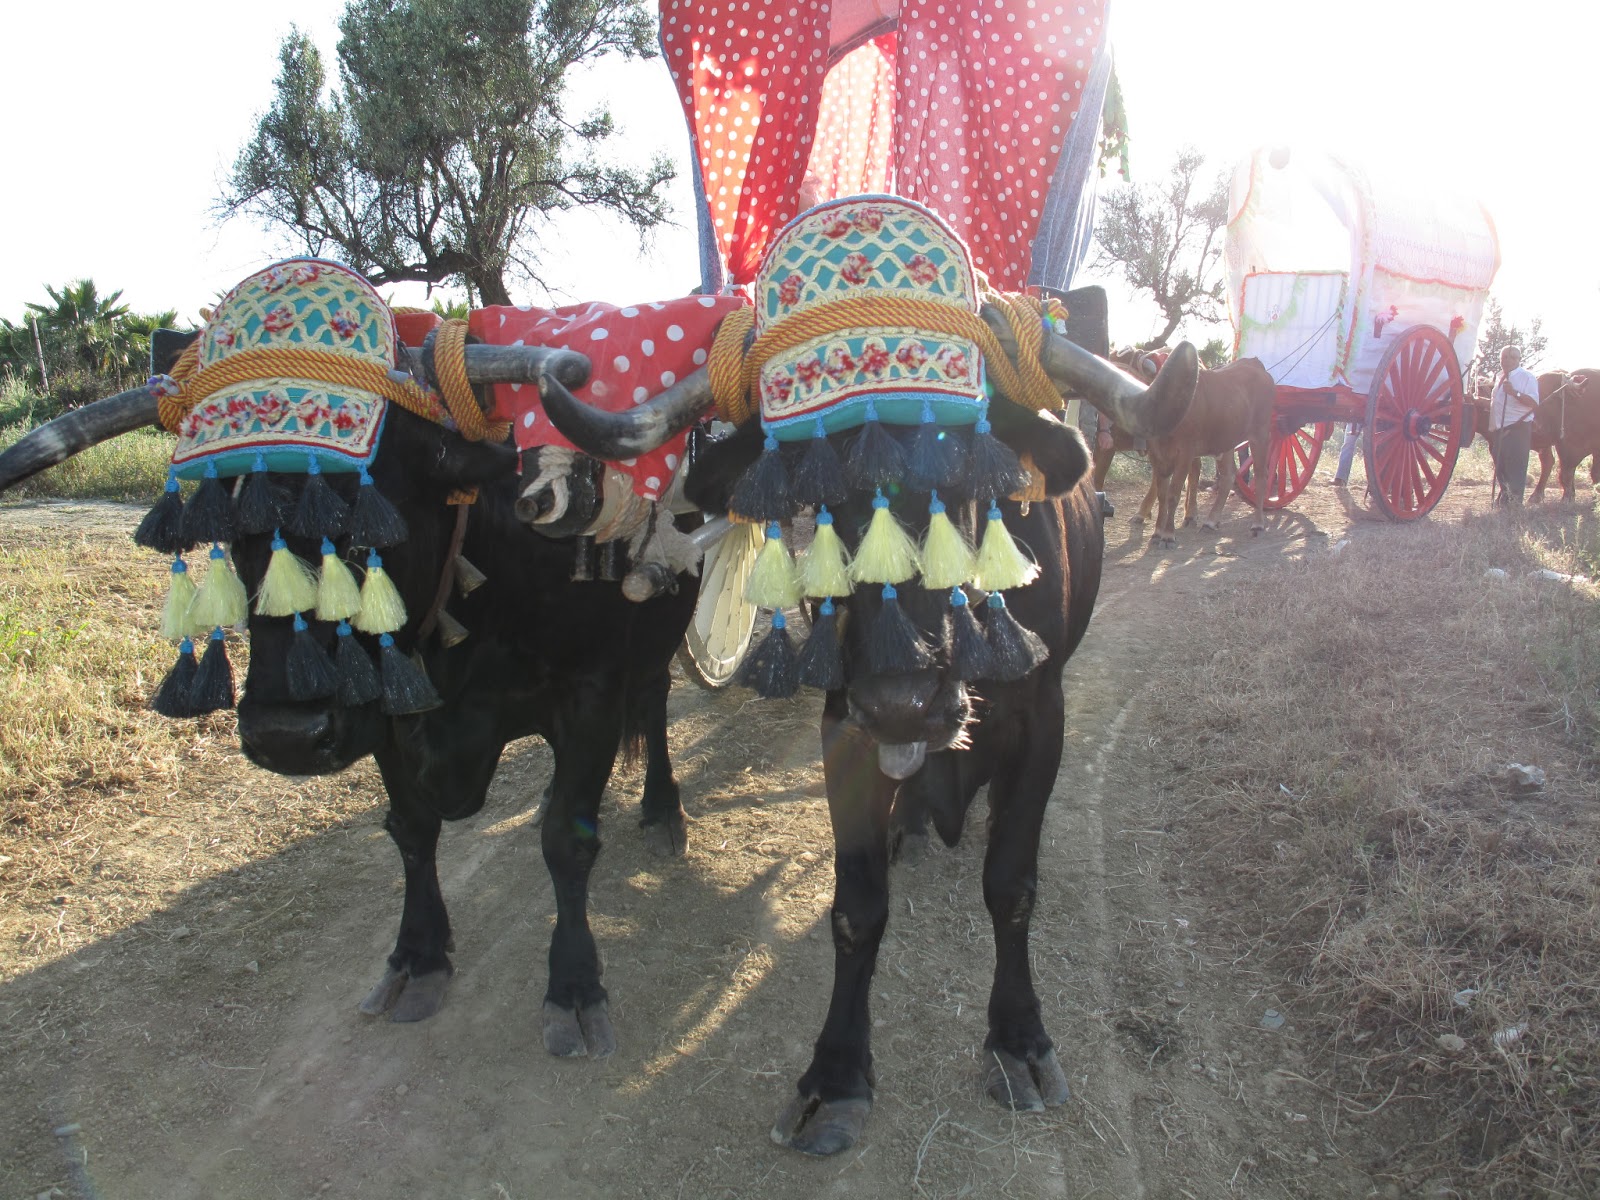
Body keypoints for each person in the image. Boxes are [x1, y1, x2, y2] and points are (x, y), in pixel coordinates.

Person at [1490, 345, 1541, 506]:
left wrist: (1515, 393)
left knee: (1515, 468)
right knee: (1501, 467)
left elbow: (1534, 403)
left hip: (1517, 428)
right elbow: (1497, 404)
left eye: (1512, 357)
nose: (1507, 360)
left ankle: (1515, 506)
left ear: (1519, 359)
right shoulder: (1499, 377)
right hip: (1499, 428)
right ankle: (1506, 500)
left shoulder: (1527, 377)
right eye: (1504, 357)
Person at [1331, 421, 1361, 486]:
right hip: (1355, 418)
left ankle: (1375, 482)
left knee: (1375, 447)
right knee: (1348, 444)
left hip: (1376, 419)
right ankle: (1340, 478)